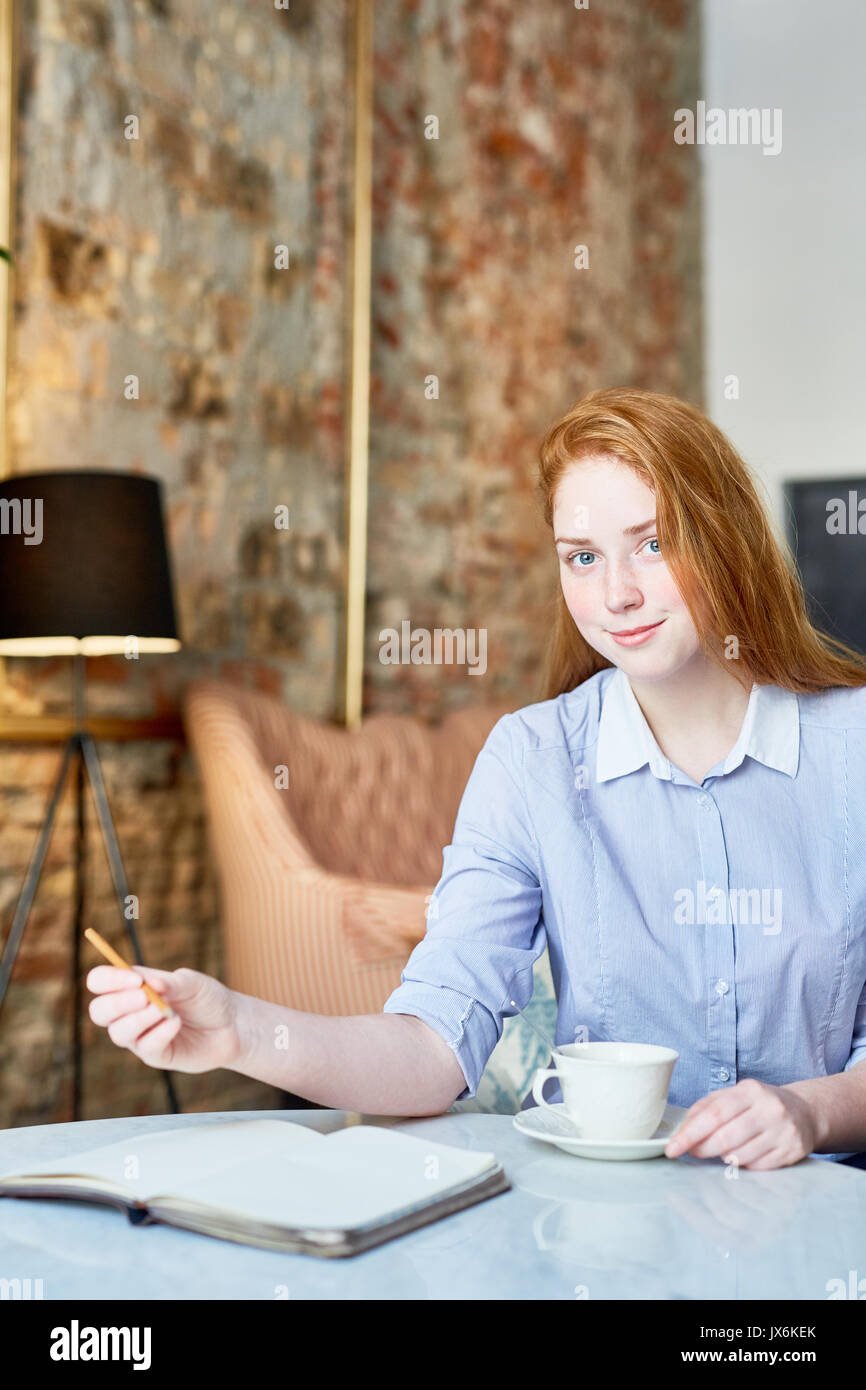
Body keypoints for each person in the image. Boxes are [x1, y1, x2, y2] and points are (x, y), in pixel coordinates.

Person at [87, 386, 866, 1171]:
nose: (616, 593)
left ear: (728, 540)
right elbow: (433, 1045)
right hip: (608, 1229)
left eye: (654, 544)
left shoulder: (853, 748)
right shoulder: (531, 760)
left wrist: (806, 1111)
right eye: (583, 557)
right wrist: (239, 1031)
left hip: (820, 1217)